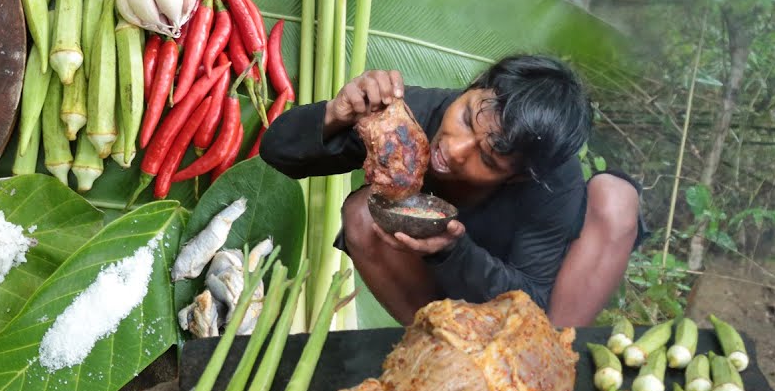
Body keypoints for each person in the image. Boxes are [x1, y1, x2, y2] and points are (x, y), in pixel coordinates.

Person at [258, 54, 644, 327]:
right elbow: (277, 154)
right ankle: (437, 344)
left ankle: (551, 356)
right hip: (425, 285)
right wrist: (335, 113)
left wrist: (453, 251)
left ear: (519, 176)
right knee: (363, 212)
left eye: (488, 159)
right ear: (473, 89)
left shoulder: (551, 182)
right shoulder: (413, 118)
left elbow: (534, 304)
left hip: (515, 288)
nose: (454, 150)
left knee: (616, 197)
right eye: (464, 118)